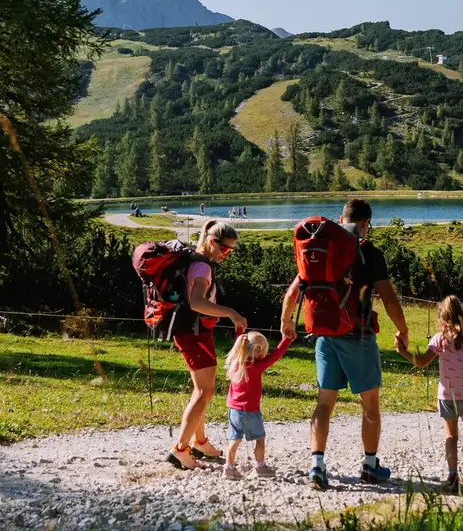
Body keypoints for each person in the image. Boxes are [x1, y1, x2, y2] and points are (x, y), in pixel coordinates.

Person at [280, 197, 411, 490]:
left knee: (325, 402)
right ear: (366, 224)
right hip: (358, 338)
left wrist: (285, 321)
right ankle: (369, 465)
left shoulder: (323, 250)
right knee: (370, 404)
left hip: (324, 336)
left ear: (341, 219)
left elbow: (293, 291)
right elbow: (389, 299)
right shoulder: (368, 252)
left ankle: (317, 465)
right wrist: (403, 330)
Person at [167, 218, 247, 471]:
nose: (227, 255)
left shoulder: (192, 258)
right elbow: (197, 302)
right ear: (211, 242)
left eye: (231, 251)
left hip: (192, 330)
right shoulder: (203, 268)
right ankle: (180, 449)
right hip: (194, 332)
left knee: (201, 390)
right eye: (225, 249)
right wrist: (231, 313)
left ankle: (199, 442)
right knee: (205, 392)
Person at [408, 295, 463, 493]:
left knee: (451, 437)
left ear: (442, 317)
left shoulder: (439, 339)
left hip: (447, 396)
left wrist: (403, 352)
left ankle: (452, 475)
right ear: (462, 314)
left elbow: (422, 361)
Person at [222, 328, 292, 479]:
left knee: (234, 439)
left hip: (233, 409)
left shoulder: (235, 363)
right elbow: (275, 355)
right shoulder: (256, 367)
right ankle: (260, 467)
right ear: (259, 351)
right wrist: (286, 340)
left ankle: (229, 468)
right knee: (259, 439)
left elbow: (239, 343)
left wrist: (239, 331)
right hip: (250, 410)